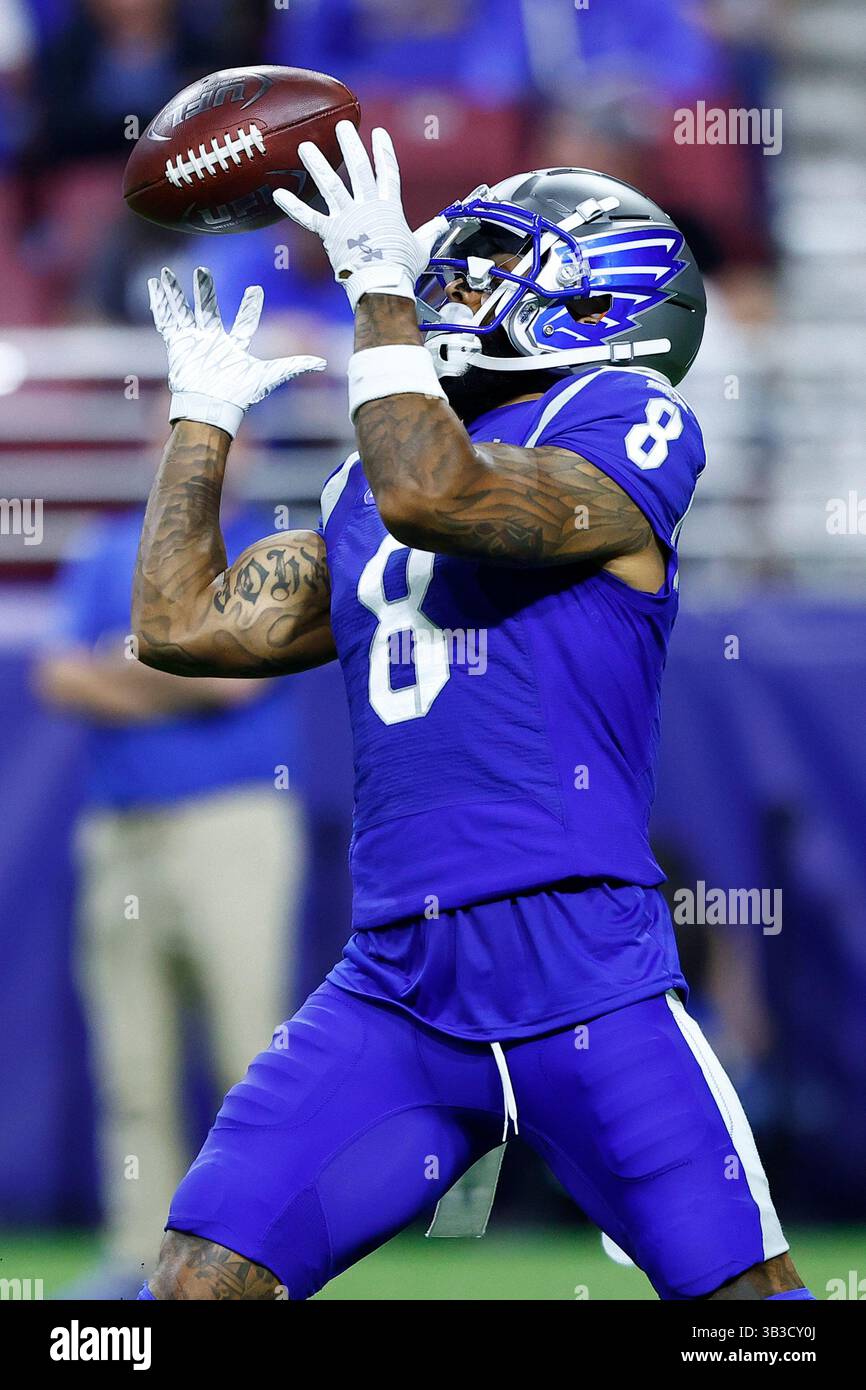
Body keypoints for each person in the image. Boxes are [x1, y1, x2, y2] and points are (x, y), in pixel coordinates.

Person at [132, 123, 813, 1301]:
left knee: (749, 1317)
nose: (456, 281)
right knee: (198, 1285)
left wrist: (378, 299)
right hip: (395, 981)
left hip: (581, 970)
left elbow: (435, 494)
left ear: (597, 301)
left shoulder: (617, 420)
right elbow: (178, 626)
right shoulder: (370, 476)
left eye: (495, 261)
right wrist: (202, 416)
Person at [36, 487, 306, 1299]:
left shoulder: (264, 545)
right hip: (122, 829)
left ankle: (265, 1255)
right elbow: (58, 680)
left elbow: (236, 685)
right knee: (133, 1065)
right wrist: (181, 660)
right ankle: (139, 1263)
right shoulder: (109, 544)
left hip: (232, 822)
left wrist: (123, 666)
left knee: (248, 1056)